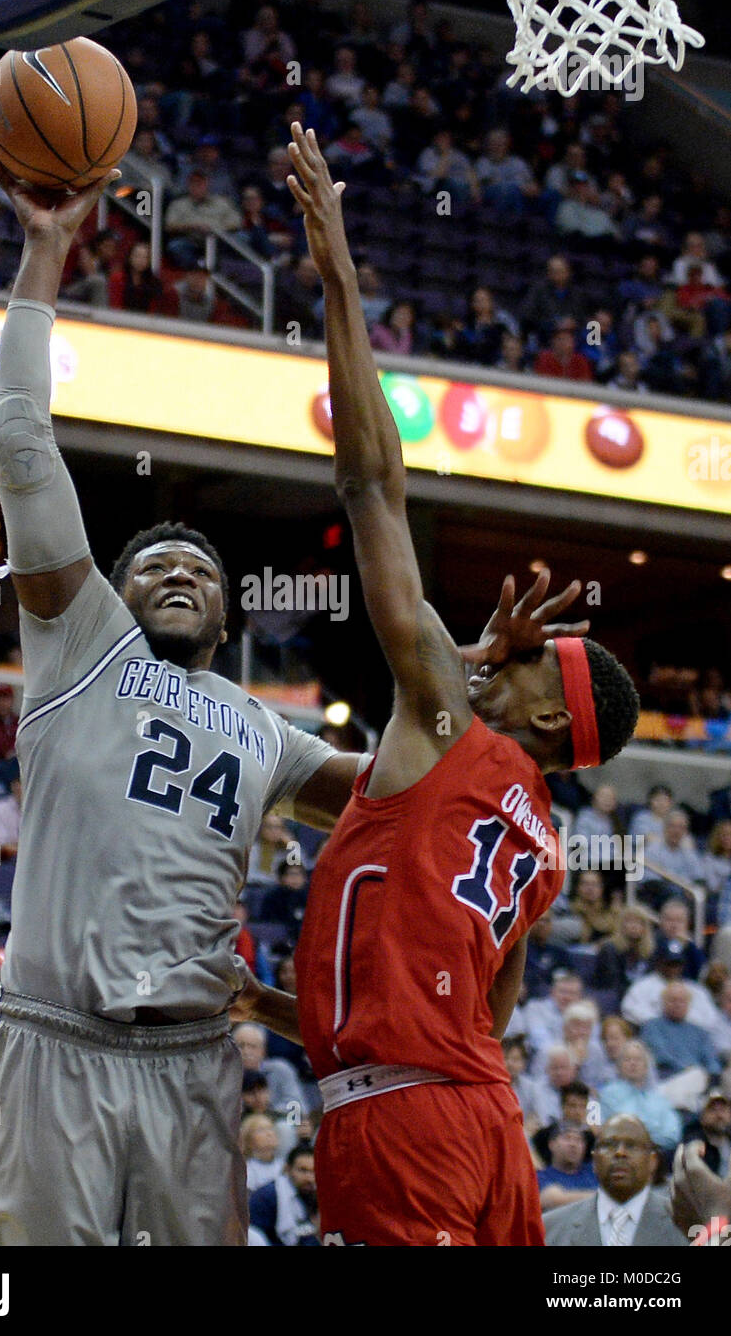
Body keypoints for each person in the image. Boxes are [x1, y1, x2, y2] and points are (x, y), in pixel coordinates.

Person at [0, 153, 362, 1247]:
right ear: (118, 598)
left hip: (192, 1064)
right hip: (55, 1041)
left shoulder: (264, 727)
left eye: (202, 570)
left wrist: (464, 691)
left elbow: (395, 800)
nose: (181, 572)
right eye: (157, 567)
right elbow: (20, 440)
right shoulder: (81, 638)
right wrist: (48, 253)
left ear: (228, 620)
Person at [284, 121, 639, 1247]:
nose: (501, 639)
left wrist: (340, 277)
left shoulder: (444, 721)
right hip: (486, 1124)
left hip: (404, 1131)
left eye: (528, 656)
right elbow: (482, 1012)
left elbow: (372, 486)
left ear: (544, 713)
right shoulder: (544, 846)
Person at [544, 1114, 686, 1246]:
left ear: (652, 1161)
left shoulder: (687, 1225)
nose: (620, 1153)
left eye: (631, 1146)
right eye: (609, 1145)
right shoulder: (550, 1227)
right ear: (594, 1161)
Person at [598, 1041, 682, 1150]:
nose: (633, 1063)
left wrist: (649, 1141)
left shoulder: (659, 1100)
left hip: (656, 1152)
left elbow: (673, 1134)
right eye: (627, 1059)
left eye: (638, 1059)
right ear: (618, 1066)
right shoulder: (608, 1093)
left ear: (646, 1067)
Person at [622, 941, 719, 1031]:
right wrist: (665, 1023)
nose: (673, 968)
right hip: (656, 1036)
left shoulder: (696, 989)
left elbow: (711, 1018)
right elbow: (629, 1009)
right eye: (669, 963)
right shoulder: (642, 987)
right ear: (658, 962)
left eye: (677, 964)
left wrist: (684, 1022)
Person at [248, 1144, 319, 1246]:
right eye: (303, 1170)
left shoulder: (312, 1194)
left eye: (313, 1171)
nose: (309, 1178)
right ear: (287, 1169)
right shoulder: (266, 1197)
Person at [592, 906, 654, 1006]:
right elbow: (612, 984)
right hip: (615, 999)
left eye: (639, 923)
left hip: (643, 999)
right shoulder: (609, 949)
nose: (634, 926)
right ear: (621, 925)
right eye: (630, 922)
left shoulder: (650, 951)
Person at [536, 1123, 597, 1207]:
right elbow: (553, 1199)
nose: (573, 1144)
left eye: (578, 1140)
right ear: (551, 1144)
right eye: (567, 1138)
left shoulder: (595, 1170)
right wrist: (602, 1197)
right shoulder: (541, 1176)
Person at [681, 1089, 731, 1178]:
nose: (719, 1115)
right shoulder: (693, 1144)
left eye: (723, 1110)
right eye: (713, 1110)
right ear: (702, 1117)